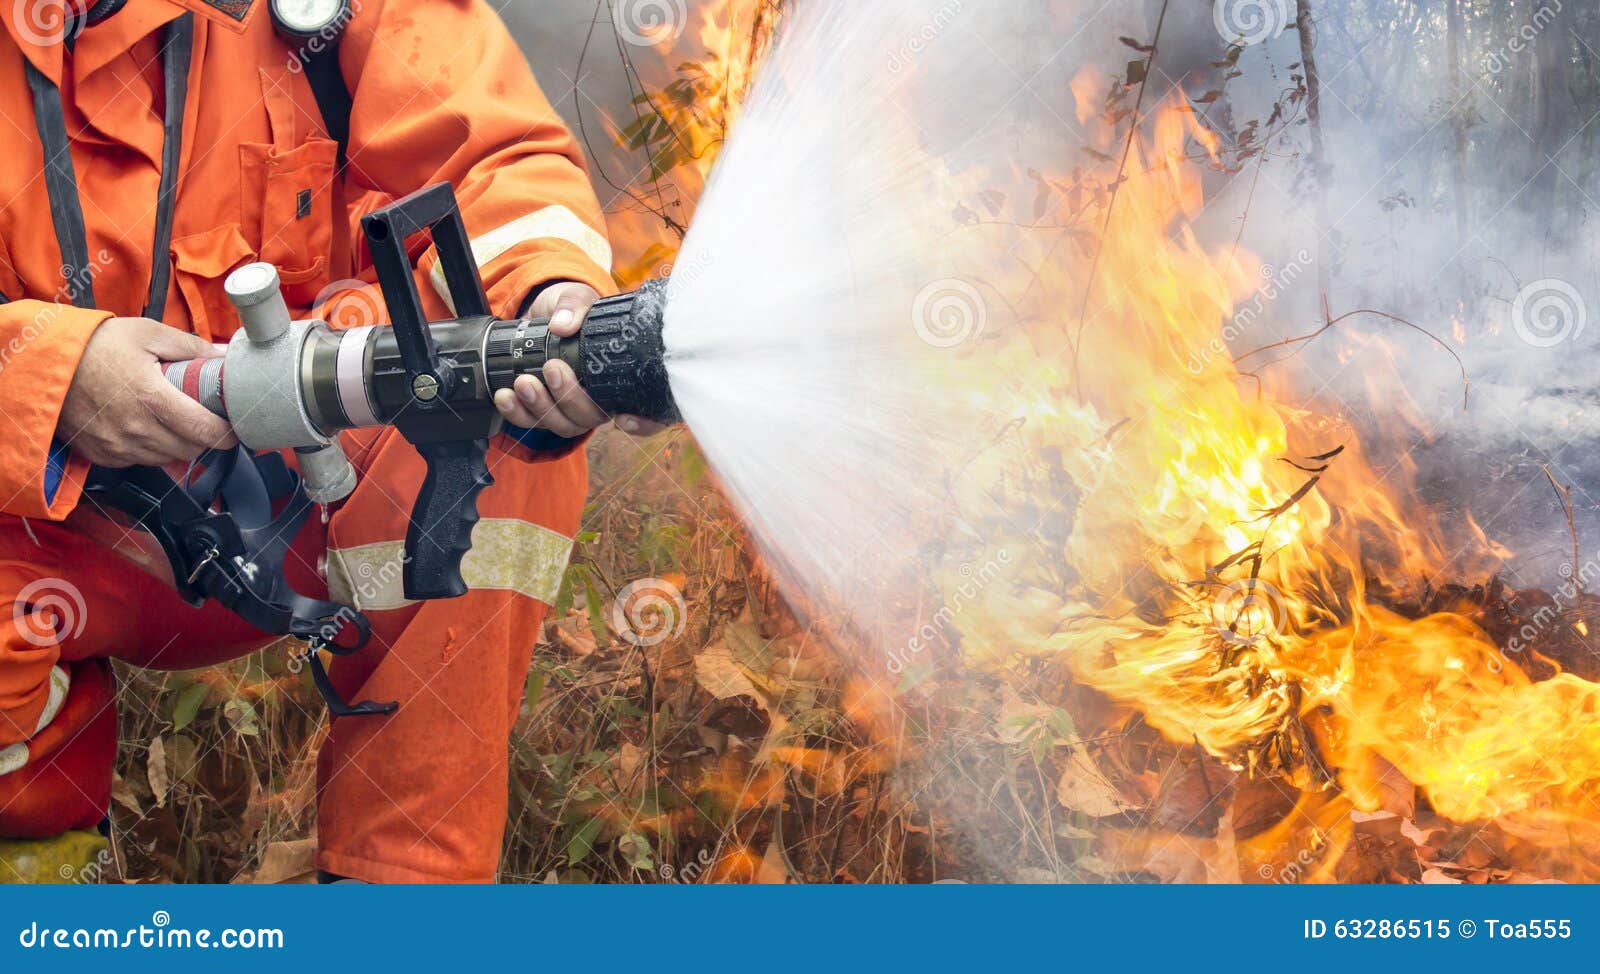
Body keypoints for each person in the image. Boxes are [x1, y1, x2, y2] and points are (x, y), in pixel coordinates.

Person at [0, 0, 657, 883]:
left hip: (294, 499)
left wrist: (550, 295)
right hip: (43, 527)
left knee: (484, 404)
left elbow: (489, 150)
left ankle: (401, 894)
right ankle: (44, 892)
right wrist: (45, 378)